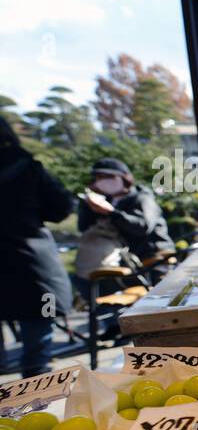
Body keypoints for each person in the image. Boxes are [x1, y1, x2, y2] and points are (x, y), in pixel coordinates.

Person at [0, 117, 75, 376]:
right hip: (30, 266)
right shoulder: (27, 166)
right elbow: (60, 208)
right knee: (40, 326)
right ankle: (35, 388)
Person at [73, 158, 173, 299]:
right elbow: (83, 228)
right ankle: (111, 318)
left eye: (107, 177)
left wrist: (111, 212)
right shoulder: (104, 200)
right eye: (98, 177)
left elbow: (143, 227)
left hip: (153, 260)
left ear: (124, 177)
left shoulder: (141, 197)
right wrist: (87, 205)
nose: (102, 181)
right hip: (124, 261)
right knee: (86, 280)